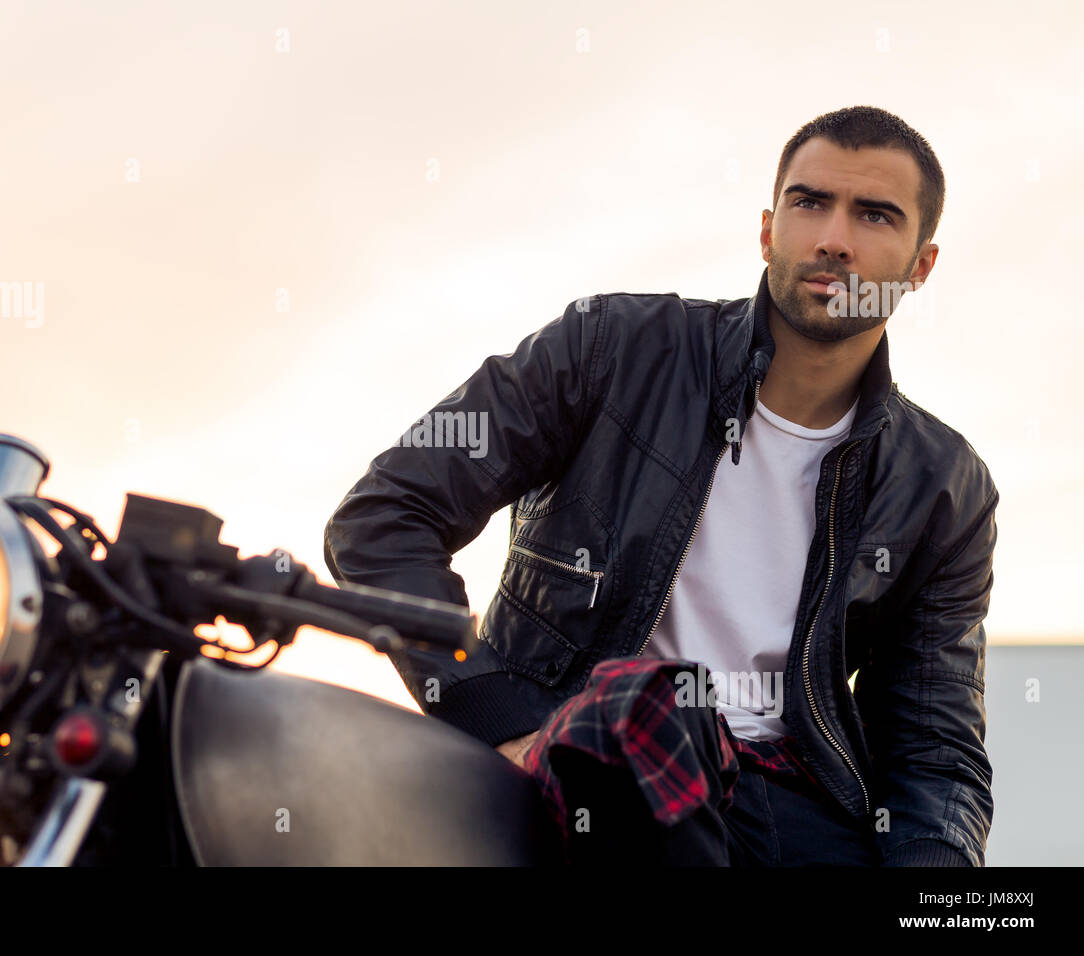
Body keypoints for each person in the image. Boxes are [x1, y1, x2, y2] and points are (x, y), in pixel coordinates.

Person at [323, 105, 997, 866]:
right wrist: (498, 719)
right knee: (662, 709)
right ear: (770, 229)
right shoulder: (608, 350)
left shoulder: (945, 486)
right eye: (810, 203)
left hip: (796, 808)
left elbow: (935, 747)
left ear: (920, 266)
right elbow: (383, 519)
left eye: (874, 215)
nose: (833, 239)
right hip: (592, 762)